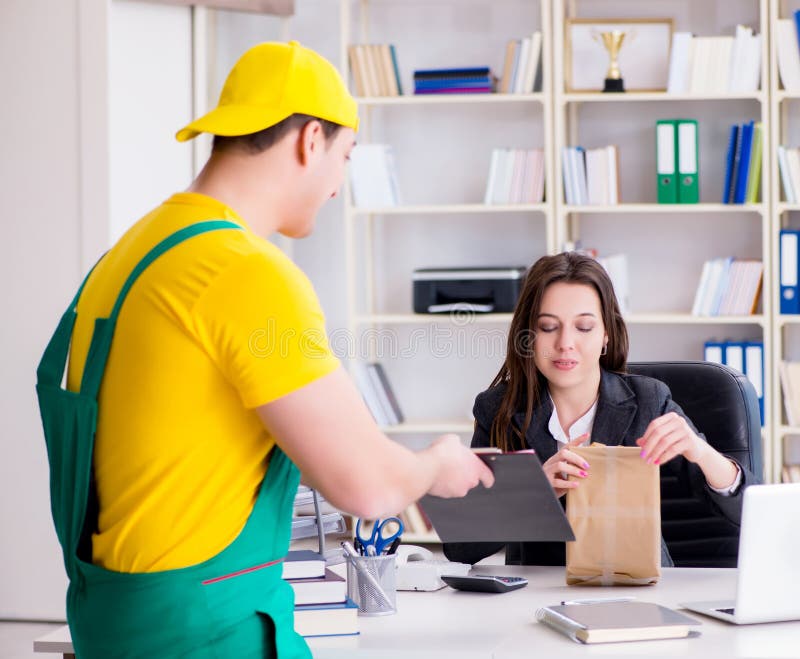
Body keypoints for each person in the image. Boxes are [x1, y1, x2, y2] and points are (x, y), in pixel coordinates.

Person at [38, 41, 493, 658]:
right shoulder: (245, 272)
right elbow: (367, 487)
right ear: (311, 139)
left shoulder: (134, 252)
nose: (338, 186)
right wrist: (437, 464)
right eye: (345, 155)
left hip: (114, 621)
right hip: (206, 630)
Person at [443, 251, 758, 568]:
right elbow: (460, 546)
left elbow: (750, 513)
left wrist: (700, 451)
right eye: (549, 327)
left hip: (637, 594)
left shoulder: (649, 401)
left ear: (606, 335)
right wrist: (535, 490)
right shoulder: (498, 409)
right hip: (537, 599)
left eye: (584, 327)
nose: (566, 343)